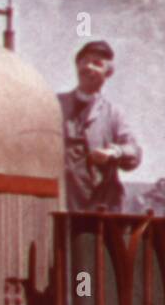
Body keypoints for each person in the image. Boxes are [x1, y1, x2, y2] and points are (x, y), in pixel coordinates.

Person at [57, 40, 142, 211]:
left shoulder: (113, 113)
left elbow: (134, 152)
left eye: (97, 63)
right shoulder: (55, 104)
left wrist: (115, 152)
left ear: (108, 72)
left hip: (100, 205)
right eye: (84, 61)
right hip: (60, 202)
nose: (88, 67)